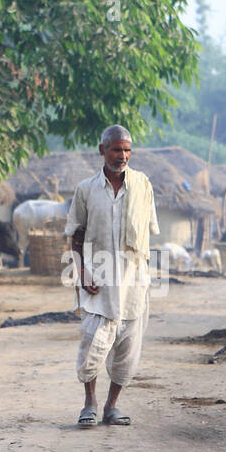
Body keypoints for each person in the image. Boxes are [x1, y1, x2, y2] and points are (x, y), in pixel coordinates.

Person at [66, 125, 159, 427]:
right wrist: (81, 271)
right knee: (92, 341)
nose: (123, 156)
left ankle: (112, 406)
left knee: (128, 346)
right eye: (117, 149)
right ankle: (89, 403)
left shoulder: (144, 186)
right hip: (97, 279)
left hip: (133, 280)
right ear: (102, 150)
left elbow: (147, 234)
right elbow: (76, 235)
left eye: (127, 150)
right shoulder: (85, 189)